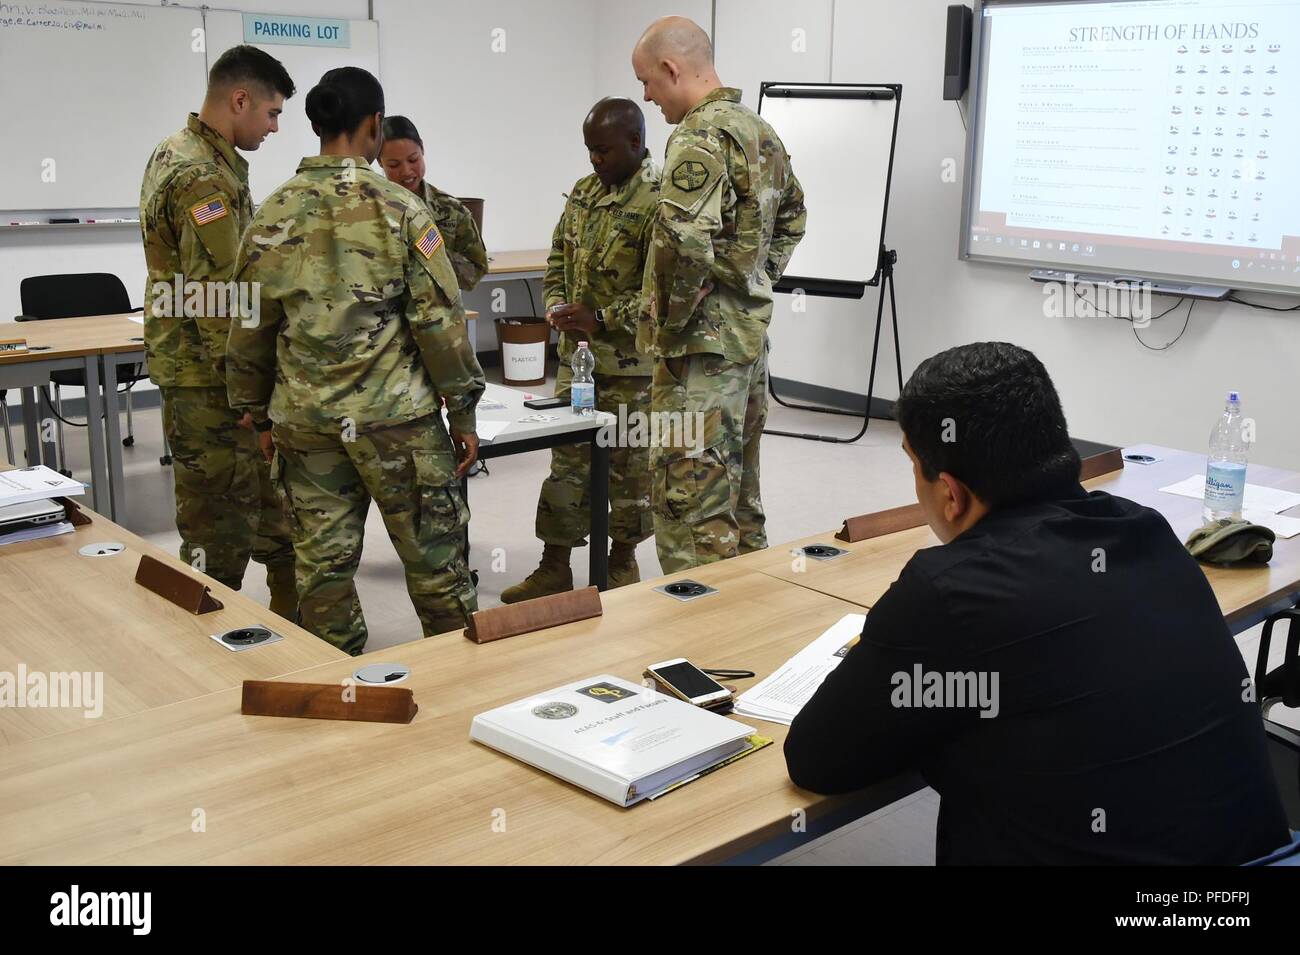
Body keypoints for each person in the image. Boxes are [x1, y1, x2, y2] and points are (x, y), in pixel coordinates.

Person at [783, 342, 1291, 865]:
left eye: (915, 466)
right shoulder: (1145, 529)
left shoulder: (950, 589)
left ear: (951, 493)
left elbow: (817, 760)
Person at [226, 67, 484, 656]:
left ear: (315, 126)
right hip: (397, 424)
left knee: (321, 571)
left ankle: (338, 691)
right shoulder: (403, 212)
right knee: (436, 563)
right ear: (374, 125)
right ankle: (464, 687)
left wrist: (256, 415)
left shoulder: (268, 216)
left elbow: (247, 331)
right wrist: (463, 413)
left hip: (306, 425)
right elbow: (438, 324)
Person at [632, 16, 806, 573]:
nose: (647, 96)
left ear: (671, 68)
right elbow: (795, 216)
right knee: (737, 484)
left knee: (689, 496)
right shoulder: (759, 130)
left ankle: (697, 630)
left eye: (647, 81)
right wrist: (753, 276)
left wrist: (675, 319)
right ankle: (748, 614)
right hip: (747, 343)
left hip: (700, 352)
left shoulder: (699, 134)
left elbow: (683, 240)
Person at [139, 45, 298, 616]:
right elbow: (218, 301)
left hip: (202, 378)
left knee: (274, 515)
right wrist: (250, 396)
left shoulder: (174, 150)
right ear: (239, 100)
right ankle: (199, 654)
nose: (275, 127)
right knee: (218, 537)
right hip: (213, 387)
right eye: (272, 113)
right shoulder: (203, 176)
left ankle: (295, 626)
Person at [501, 98, 658, 603]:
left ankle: (620, 565)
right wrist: (554, 305)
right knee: (567, 465)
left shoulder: (658, 202)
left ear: (634, 142)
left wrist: (604, 317)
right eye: (589, 150)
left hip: (631, 368)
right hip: (579, 365)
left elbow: (665, 294)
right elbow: (555, 260)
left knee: (628, 470)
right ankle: (554, 566)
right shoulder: (584, 195)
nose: (594, 160)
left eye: (603, 150)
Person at [379, 115, 489, 291]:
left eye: (413, 159)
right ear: (379, 161)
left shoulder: (451, 210)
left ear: (422, 148)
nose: (406, 171)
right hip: (386, 316)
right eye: (394, 165)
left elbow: (475, 273)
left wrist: (432, 252)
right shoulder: (369, 210)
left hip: (438, 316)